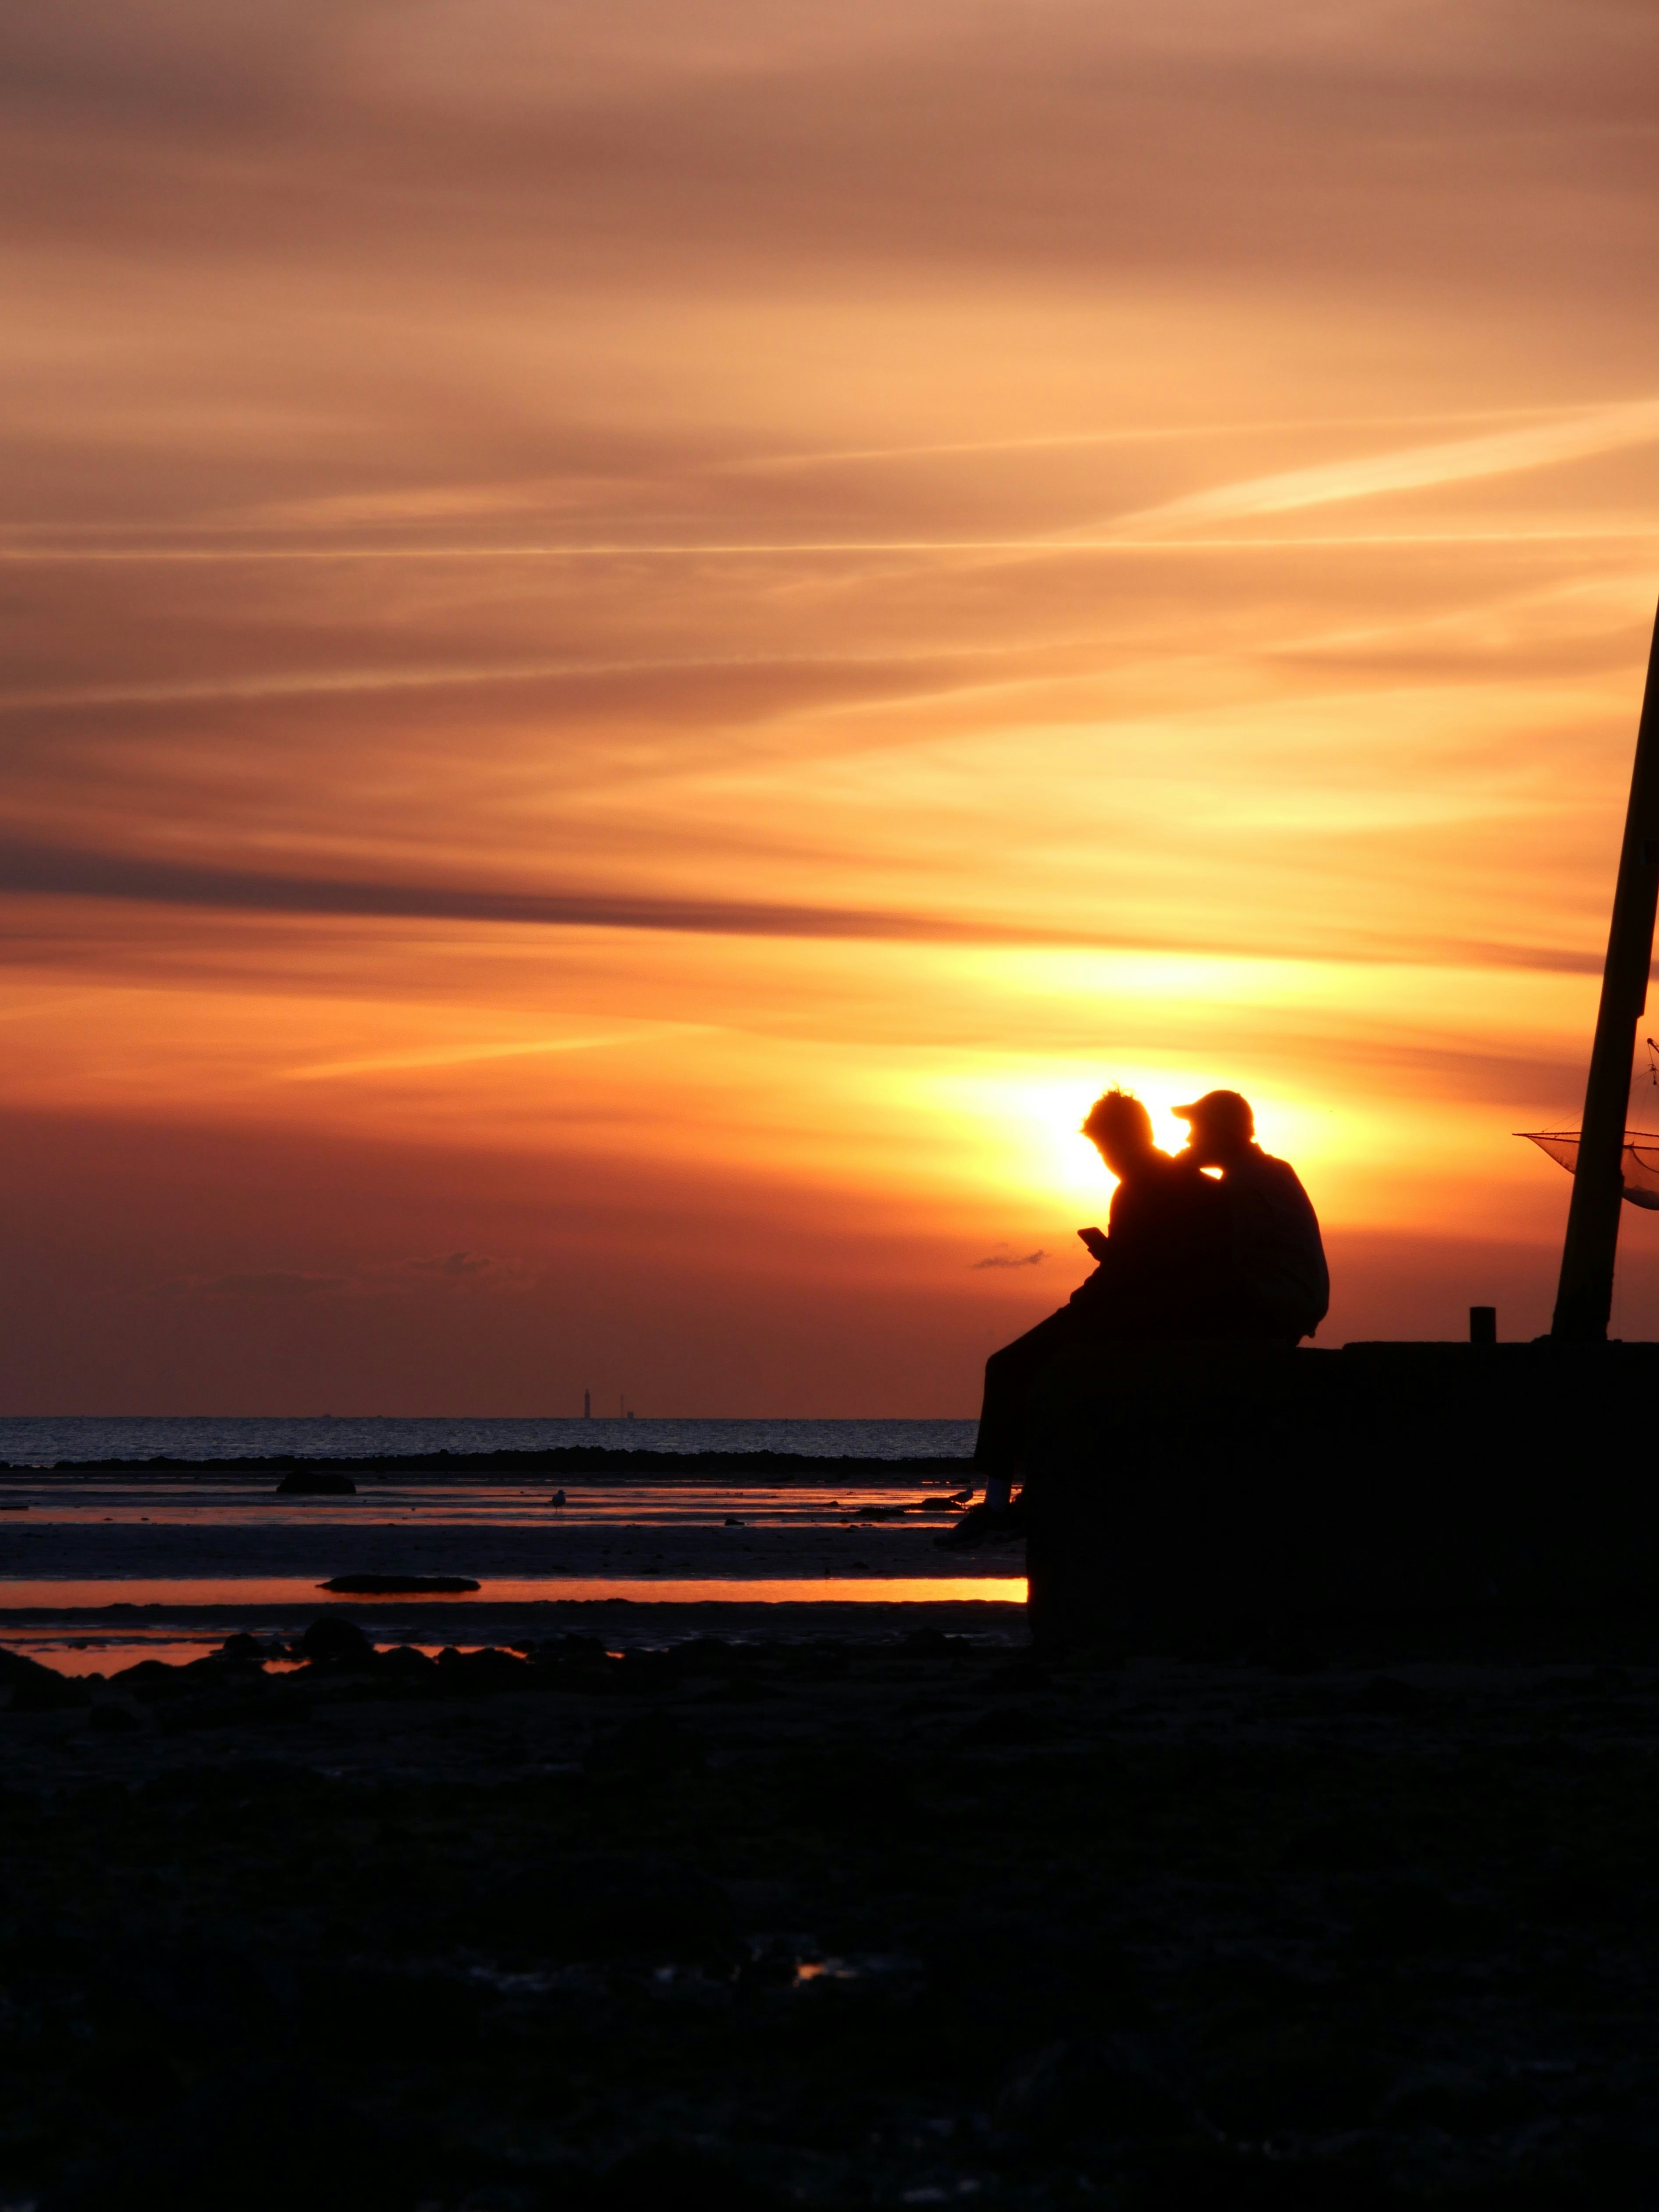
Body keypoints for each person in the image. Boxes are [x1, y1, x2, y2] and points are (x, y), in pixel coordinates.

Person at [943, 1087, 1231, 1547]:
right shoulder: (1174, 1179)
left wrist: (1100, 1275)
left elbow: (1136, 1275)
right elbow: (1152, 1261)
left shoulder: (1143, 1186)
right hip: (1149, 1312)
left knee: (1007, 1367)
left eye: (1105, 1148)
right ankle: (1026, 1495)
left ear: (1126, 1140)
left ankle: (996, 1507)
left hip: (1128, 1317)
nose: (1104, 1160)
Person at [1172, 1089, 1328, 1345]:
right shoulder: (1272, 1172)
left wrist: (1178, 1177)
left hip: (1272, 1309)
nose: (1189, 1138)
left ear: (1220, 1134)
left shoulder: (1245, 1184)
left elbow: (1217, 1253)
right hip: (1292, 1305)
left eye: (1196, 1128)